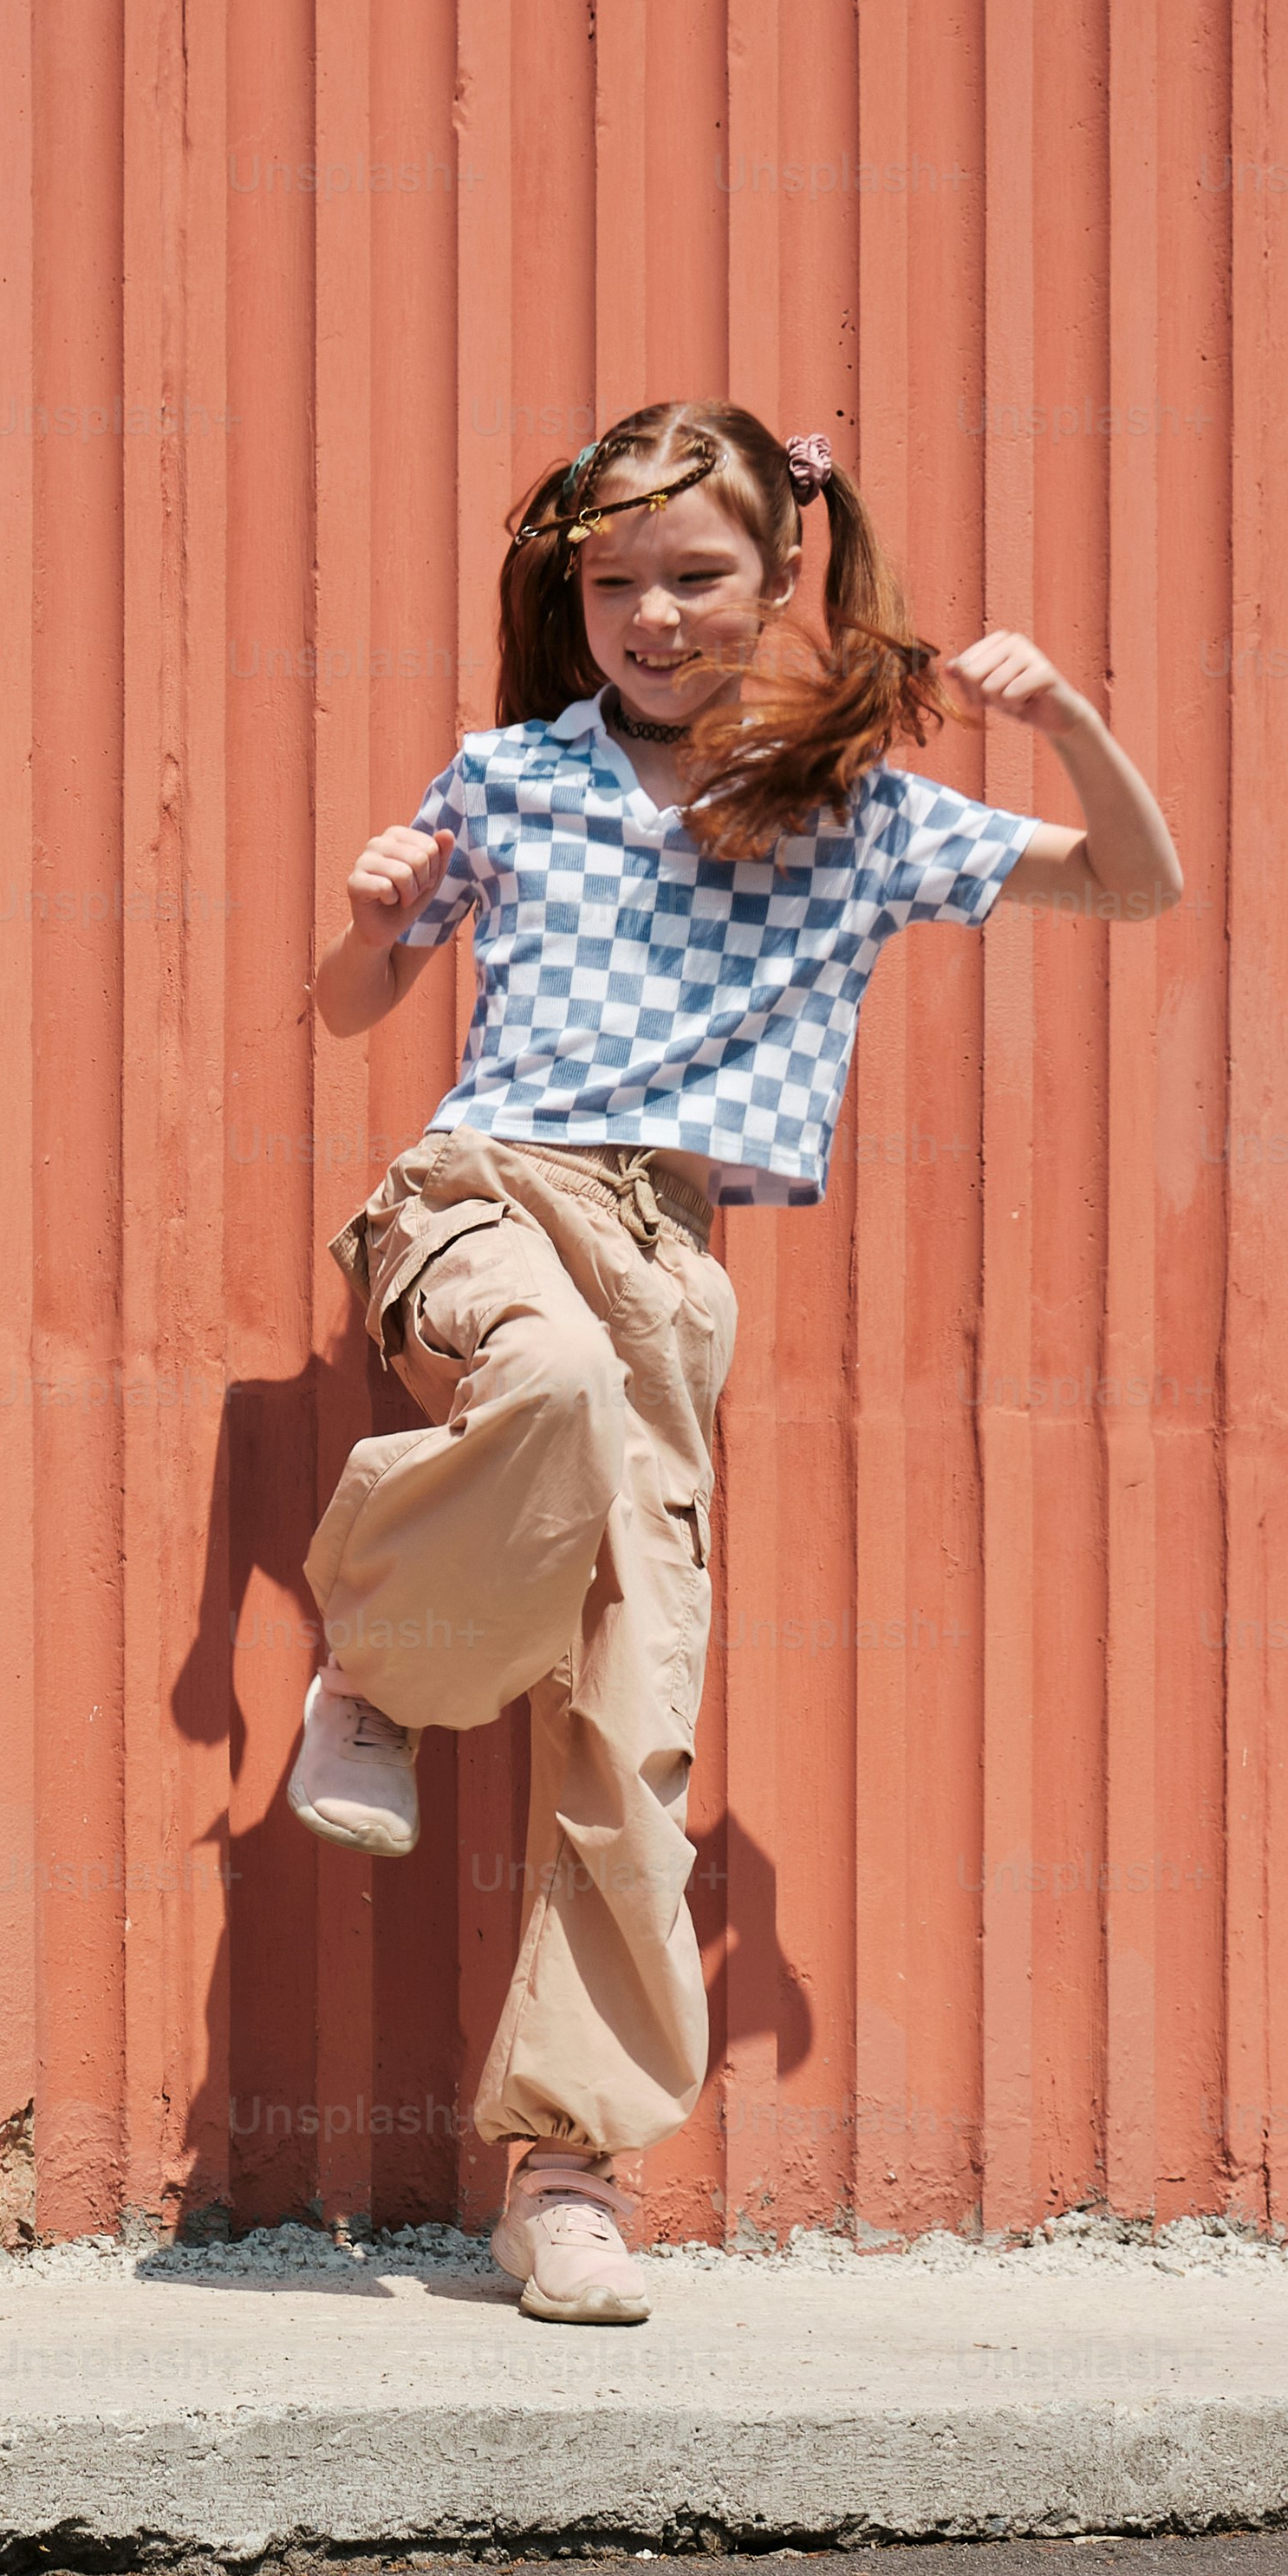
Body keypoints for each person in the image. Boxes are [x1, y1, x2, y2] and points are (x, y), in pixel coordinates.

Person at [292, 402, 1183, 2325]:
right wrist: (371, 926)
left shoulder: (852, 812)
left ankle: (563, 2175)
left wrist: (1069, 728)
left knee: (631, 1721)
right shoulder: (512, 774)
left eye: (693, 576)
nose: (650, 616)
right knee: (535, 1391)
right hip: (482, 1193)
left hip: (669, 1258)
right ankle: (367, 1667)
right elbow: (354, 1001)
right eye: (610, 584)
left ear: (783, 573)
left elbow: (1134, 882)